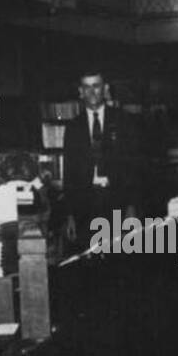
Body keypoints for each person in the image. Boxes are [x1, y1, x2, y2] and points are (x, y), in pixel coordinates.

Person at [60, 70, 139, 249]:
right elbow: (69, 173)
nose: (92, 92)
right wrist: (70, 215)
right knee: (89, 262)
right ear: (80, 91)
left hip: (117, 201)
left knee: (119, 258)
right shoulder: (73, 127)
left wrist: (132, 207)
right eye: (87, 87)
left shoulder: (123, 121)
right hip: (85, 205)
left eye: (96, 86)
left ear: (105, 89)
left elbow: (133, 167)